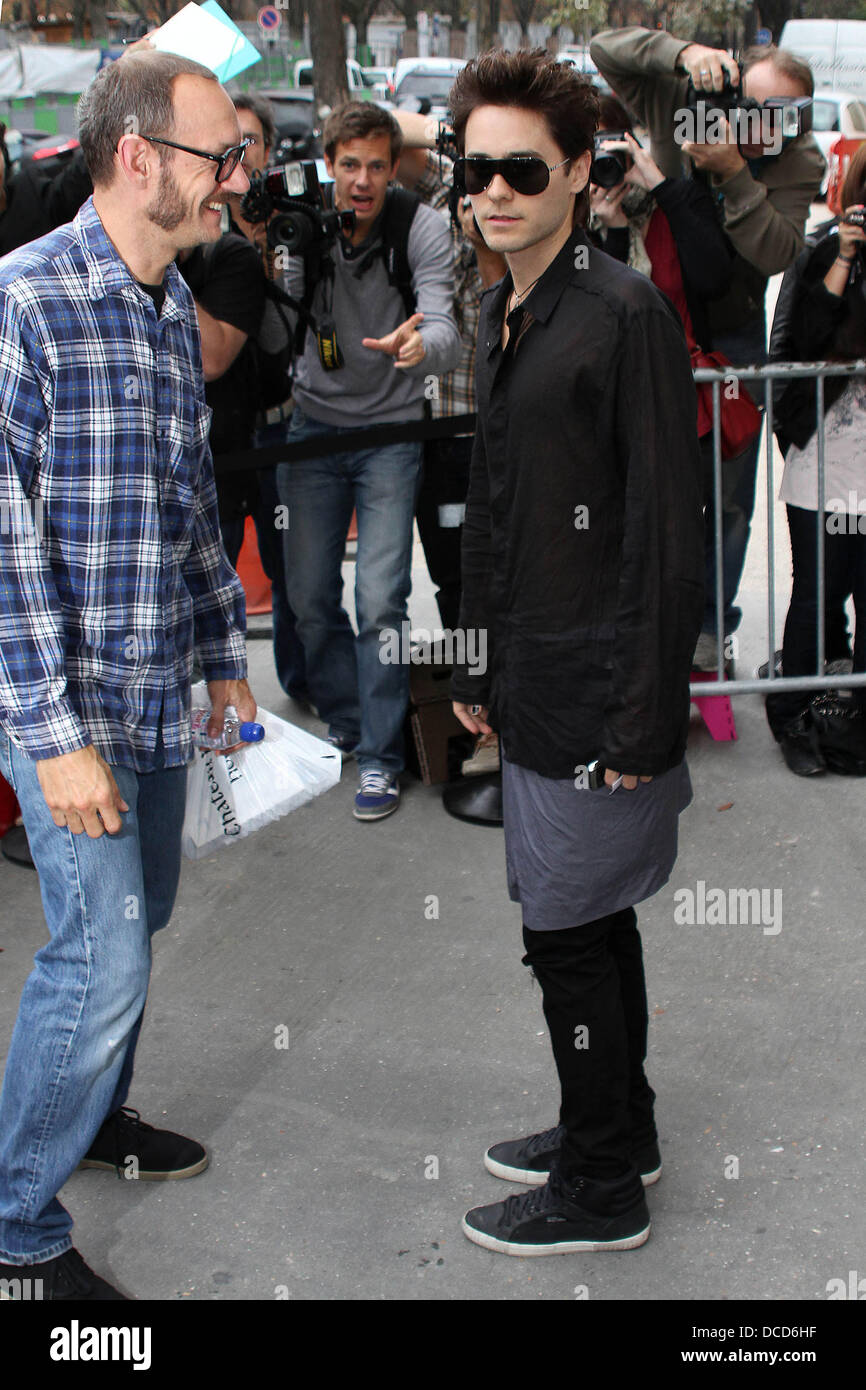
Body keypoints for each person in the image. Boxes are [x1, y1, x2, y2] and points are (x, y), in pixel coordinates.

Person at [0, 49, 256, 1300]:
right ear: (140, 158)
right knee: (97, 959)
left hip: (157, 685)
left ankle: (91, 1116)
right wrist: (53, 739)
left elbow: (188, 510)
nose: (236, 180)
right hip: (65, 705)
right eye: (220, 155)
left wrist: (225, 659)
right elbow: (1, 546)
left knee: (133, 935)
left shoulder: (164, 304)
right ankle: (12, 1229)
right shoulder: (23, 303)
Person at [448, 48, 704, 1256]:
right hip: (539, 675)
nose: (492, 190)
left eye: (520, 169)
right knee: (591, 925)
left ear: (577, 174)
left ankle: (600, 1187)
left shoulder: (622, 313)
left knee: (565, 942)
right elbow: (496, 501)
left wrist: (640, 724)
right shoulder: (508, 302)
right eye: (474, 168)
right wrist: (474, 662)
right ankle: (619, 1125)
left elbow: (662, 530)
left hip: (603, 692)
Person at [590, 28, 825, 668]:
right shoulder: (685, 102)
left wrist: (735, 174)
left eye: (780, 113)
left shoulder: (801, 159)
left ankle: (706, 637)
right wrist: (682, 55)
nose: (755, 122)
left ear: (799, 118)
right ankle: (634, 635)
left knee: (724, 504)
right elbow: (605, 49)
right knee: (633, 485)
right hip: (655, 316)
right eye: (748, 104)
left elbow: (778, 253)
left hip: (732, 330)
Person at [276, 101, 460, 821]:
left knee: (381, 600)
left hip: (390, 434)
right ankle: (351, 720)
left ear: (393, 166)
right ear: (330, 165)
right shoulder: (305, 226)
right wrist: (268, 255)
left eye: (377, 165)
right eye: (348, 164)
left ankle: (382, 757)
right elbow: (274, 330)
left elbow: (442, 318)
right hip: (313, 431)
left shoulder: (421, 223)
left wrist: (422, 348)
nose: (362, 180)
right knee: (309, 600)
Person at [180, 89, 308, 702]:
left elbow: (291, 333)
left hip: (280, 425)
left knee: (295, 577)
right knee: (215, 572)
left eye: (250, 143)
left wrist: (276, 245)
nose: (240, 160)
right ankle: (221, 703)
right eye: (228, 145)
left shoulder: (289, 223)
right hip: (221, 438)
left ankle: (302, 685)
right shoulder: (196, 234)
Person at [767, 146, 866, 776]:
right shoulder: (825, 248)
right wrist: (847, 258)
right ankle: (792, 716)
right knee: (816, 595)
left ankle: (851, 715)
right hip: (826, 459)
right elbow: (803, 339)